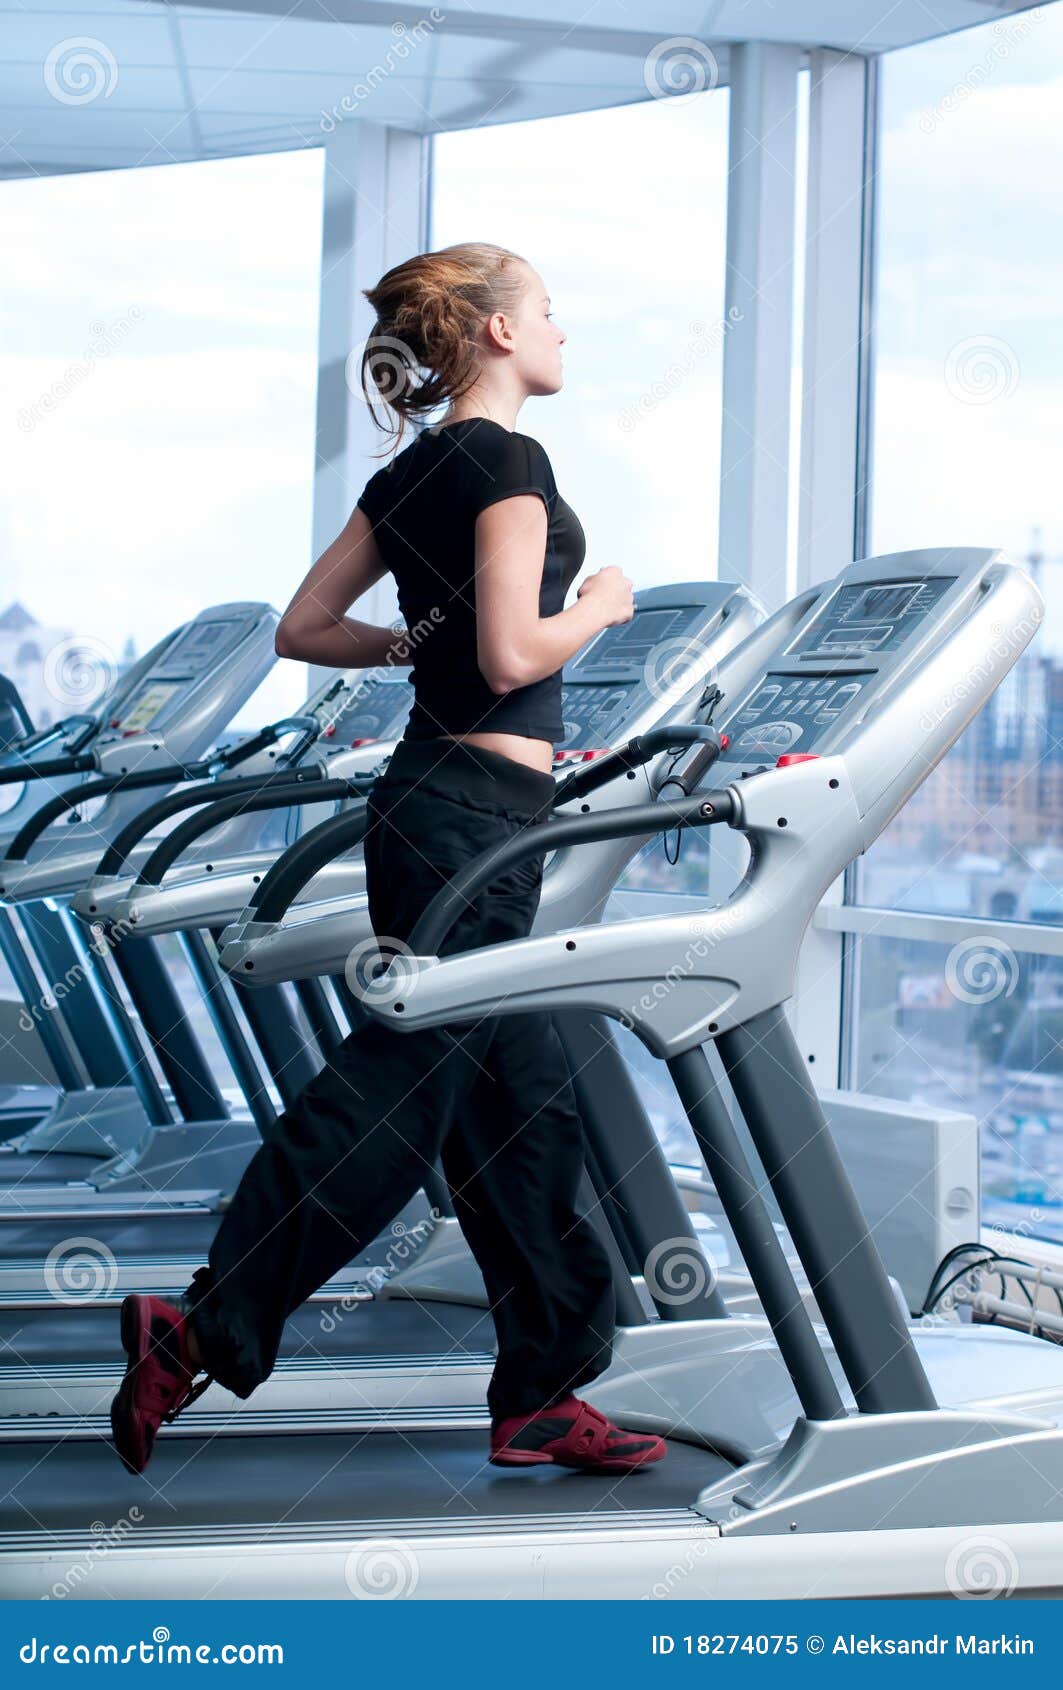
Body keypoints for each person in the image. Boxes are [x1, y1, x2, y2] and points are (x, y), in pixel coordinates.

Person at [110, 241, 666, 1479]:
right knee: (402, 1086)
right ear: (497, 334)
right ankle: (200, 1326)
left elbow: (304, 628)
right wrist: (608, 604)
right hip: (473, 810)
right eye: (551, 313)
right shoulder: (513, 460)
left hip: (437, 801)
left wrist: (419, 647)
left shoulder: (413, 471)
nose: (564, 331)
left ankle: (542, 1389)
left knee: (522, 1102)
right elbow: (520, 655)